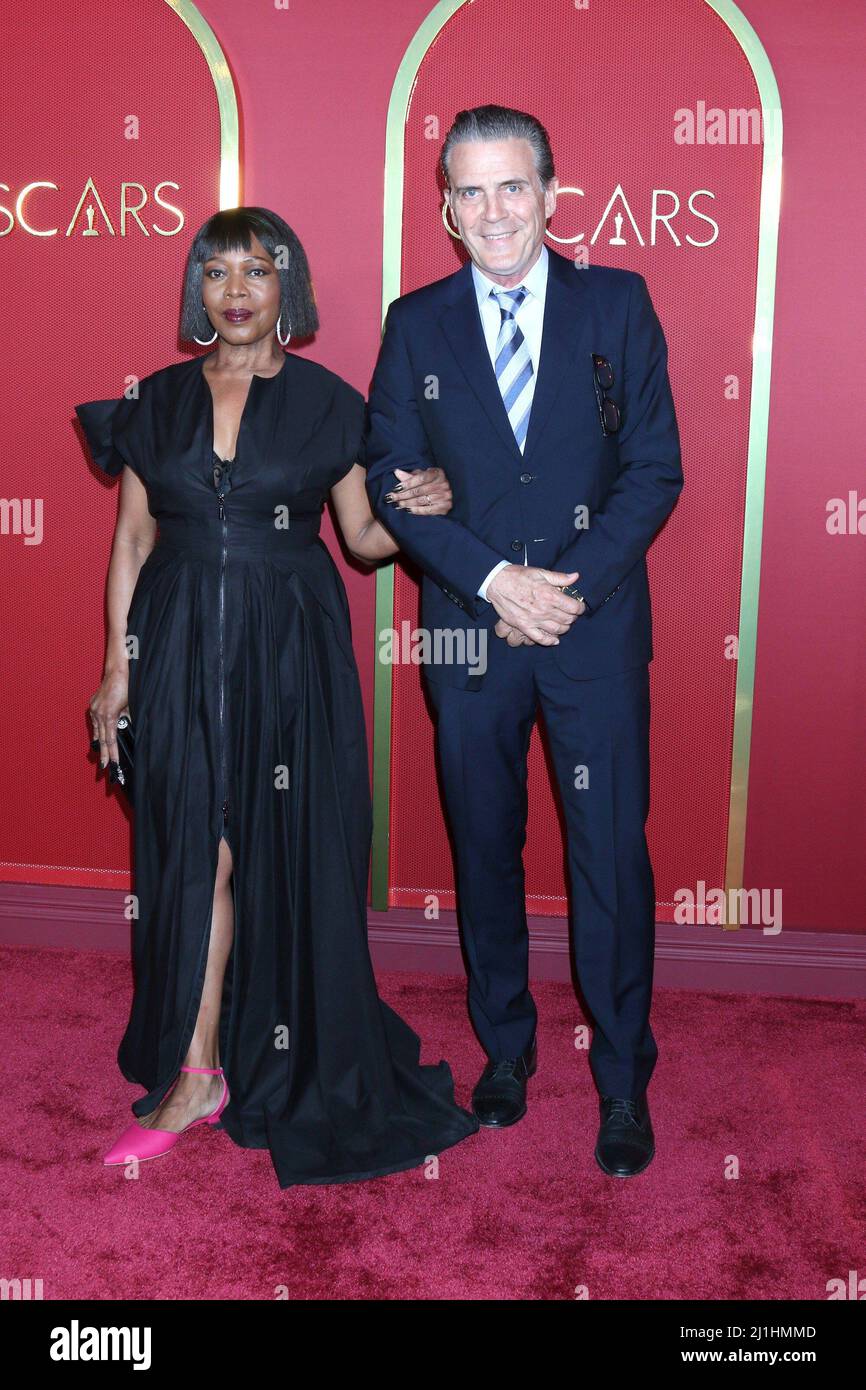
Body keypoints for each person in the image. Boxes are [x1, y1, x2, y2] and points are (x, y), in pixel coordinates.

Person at [75, 206, 479, 1187]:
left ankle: (203, 1071)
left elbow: (364, 542)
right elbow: (131, 543)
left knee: (251, 852)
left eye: (257, 271)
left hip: (289, 655)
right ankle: (200, 1064)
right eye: (216, 273)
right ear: (198, 292)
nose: (237, 290)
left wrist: (426, 501)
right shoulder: (157, 401)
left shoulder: (330, 405)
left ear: (284, 289)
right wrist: (117, 669)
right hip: (173, 647)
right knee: (193, 855)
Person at [364, 106, 683, 1178]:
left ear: (550, 193)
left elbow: (653, 471)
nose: (492, 211)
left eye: (512, 187)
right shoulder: (415, 322)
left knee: (607, 859)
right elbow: (390, 483)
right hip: (465, 630)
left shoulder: (617, 302)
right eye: (470, 192)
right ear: (445, 210)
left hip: (589, 632)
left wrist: (566, 590)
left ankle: (623, 1080)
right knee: (482, 848)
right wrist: (493, 578)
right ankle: (503, 1050)